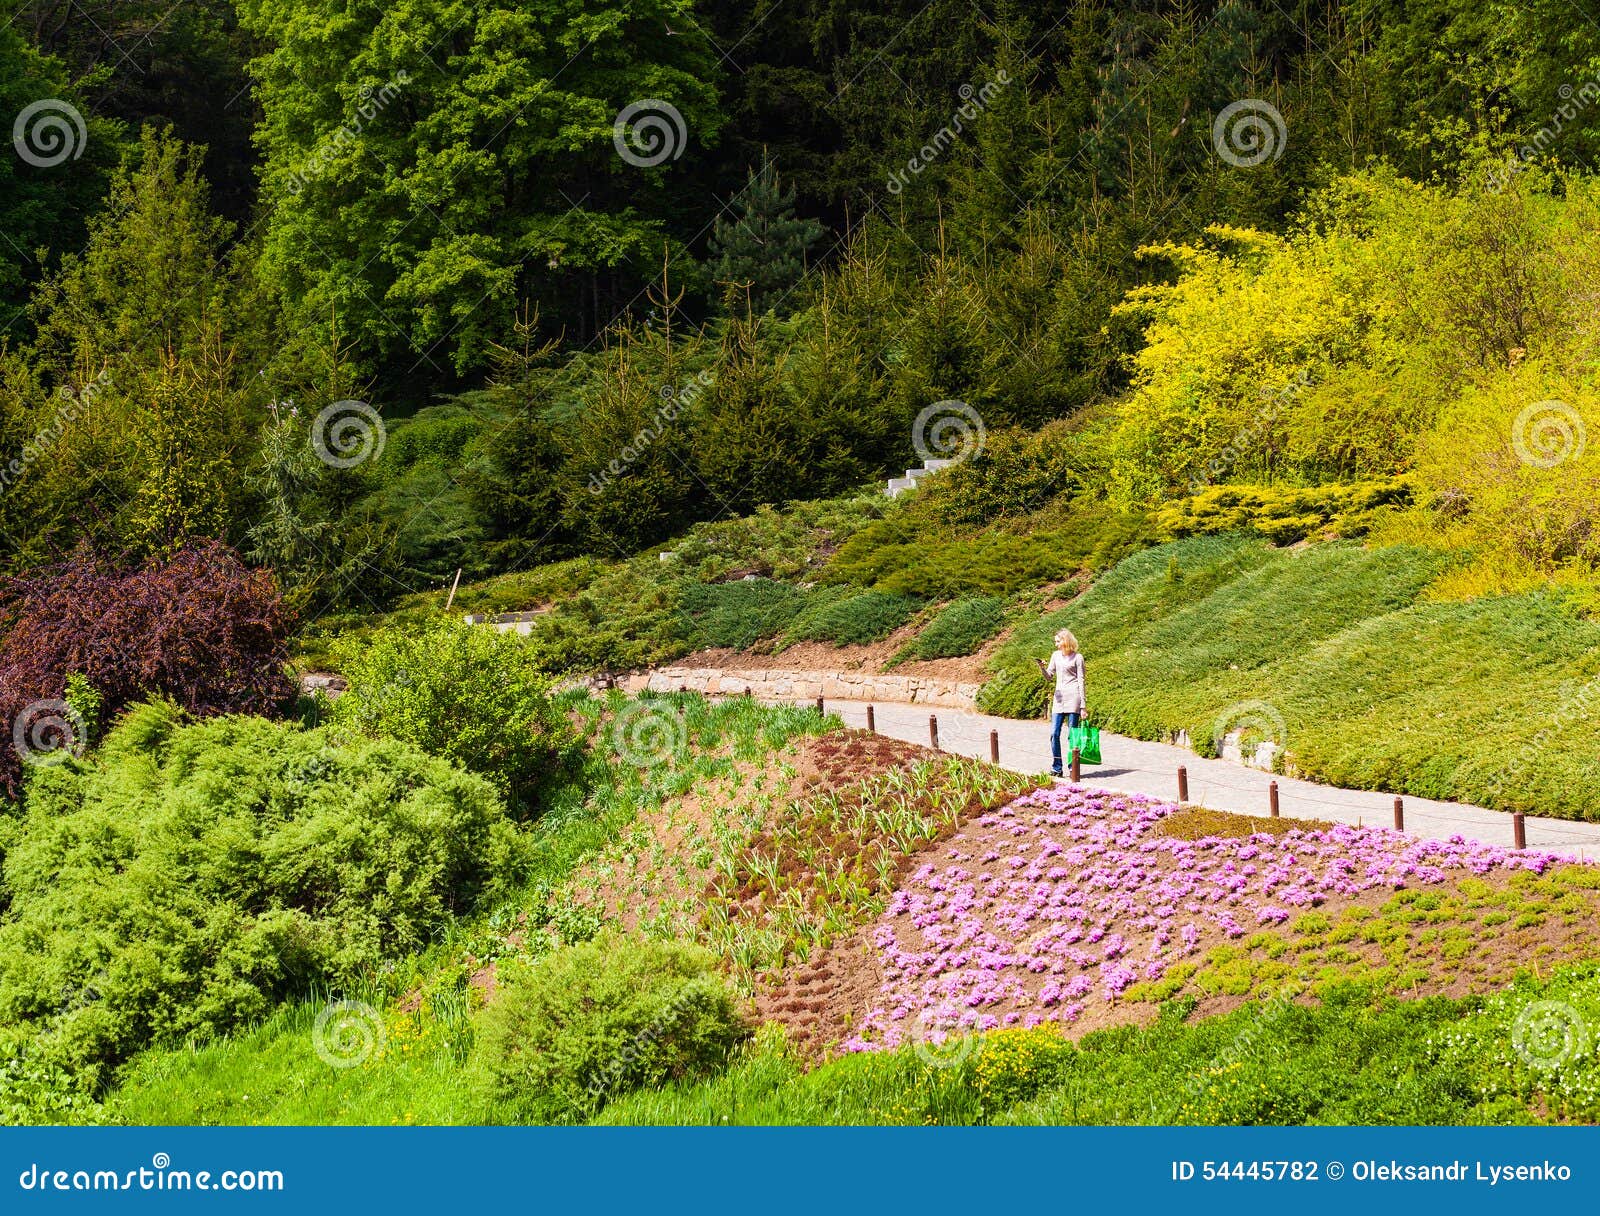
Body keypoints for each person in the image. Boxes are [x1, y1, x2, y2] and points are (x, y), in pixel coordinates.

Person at [1036, 629, 1086, 778]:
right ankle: (1057, 767)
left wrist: (1083, 705)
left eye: (1058, 641)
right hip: (1058, 699)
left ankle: (1073, 768)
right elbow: (1049, 677)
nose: (1056, 644)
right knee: (1054, 733)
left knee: (1072, 736)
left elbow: (1081, 681)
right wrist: (1042, 668)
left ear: (1066, 641)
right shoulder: (1055, 656)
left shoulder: (1078, 657)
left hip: (1074, 698)